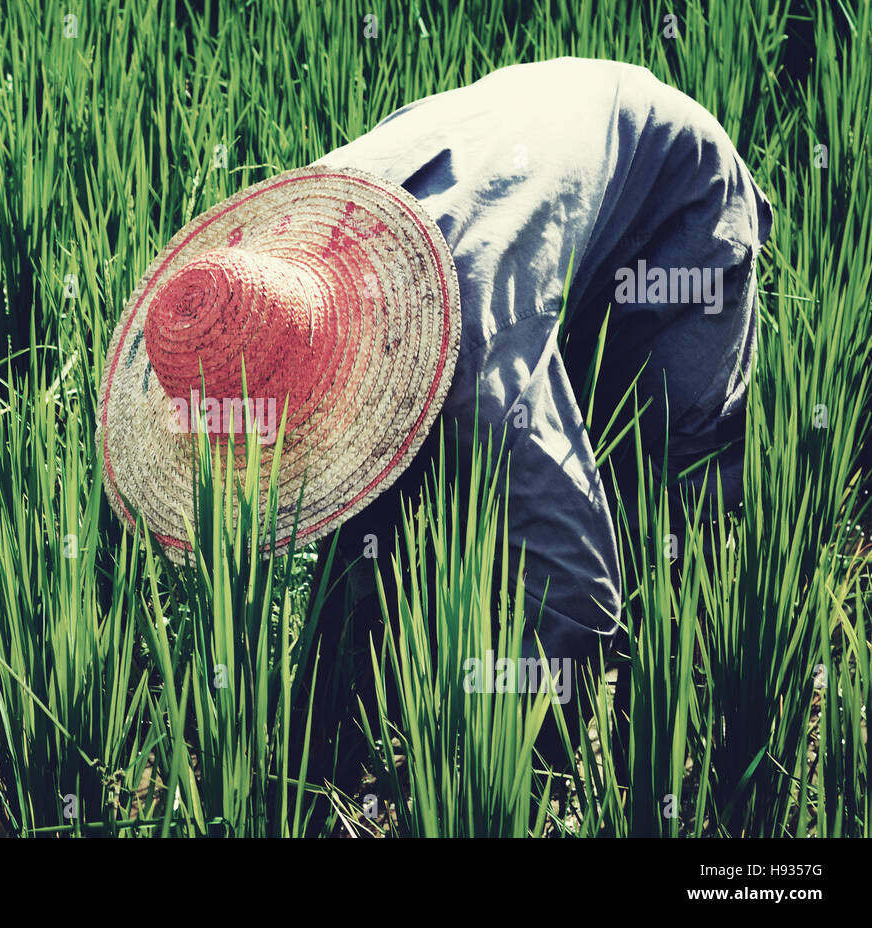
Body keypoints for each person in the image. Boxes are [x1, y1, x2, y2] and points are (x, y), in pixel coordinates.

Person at [305, 56, 772, 766]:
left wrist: (498, 782)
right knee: (381, 510)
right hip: (537, 158)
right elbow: (362, 539)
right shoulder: (297, 247)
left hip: (676, 194)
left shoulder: (463, 338)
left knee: (666, 489)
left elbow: (577, 593)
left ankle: (654, 742)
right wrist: (316, 749)